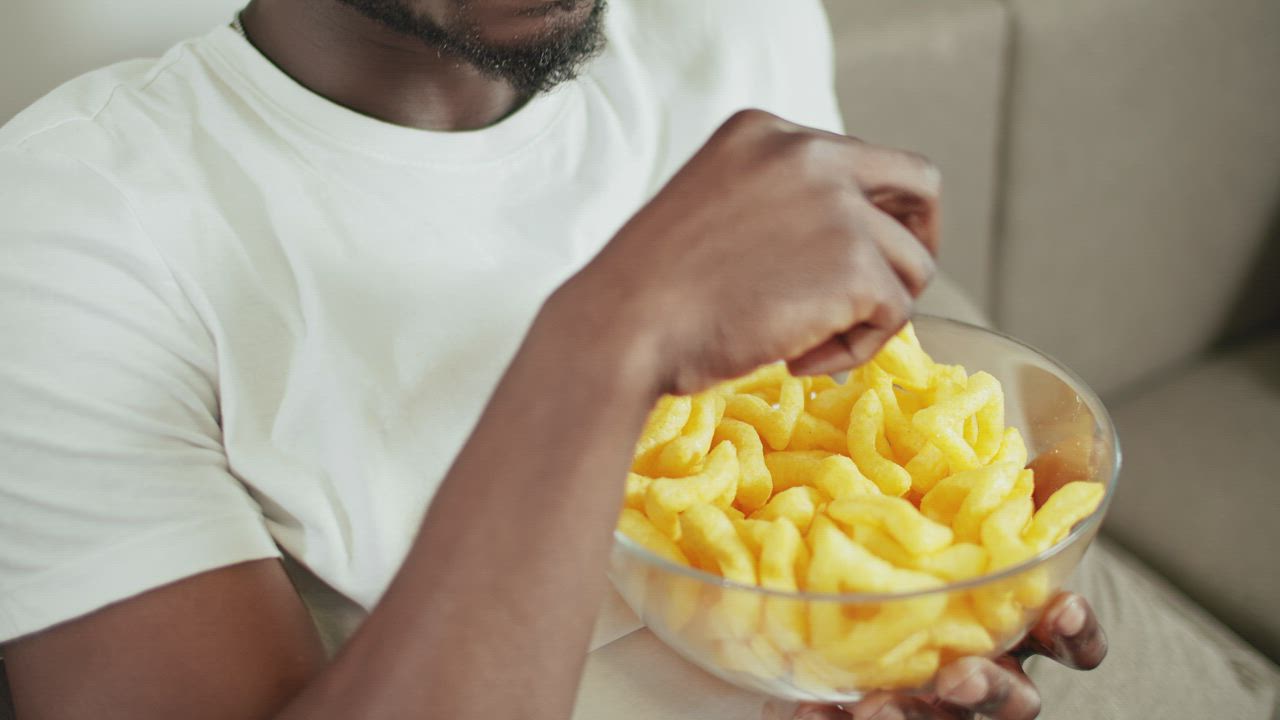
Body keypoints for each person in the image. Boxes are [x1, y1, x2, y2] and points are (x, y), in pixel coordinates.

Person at [0, 1, 1270, 719]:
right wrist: (608, 329)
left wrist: (893, 629)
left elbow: (818, 456)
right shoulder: (73, 226)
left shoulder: (725, 24)